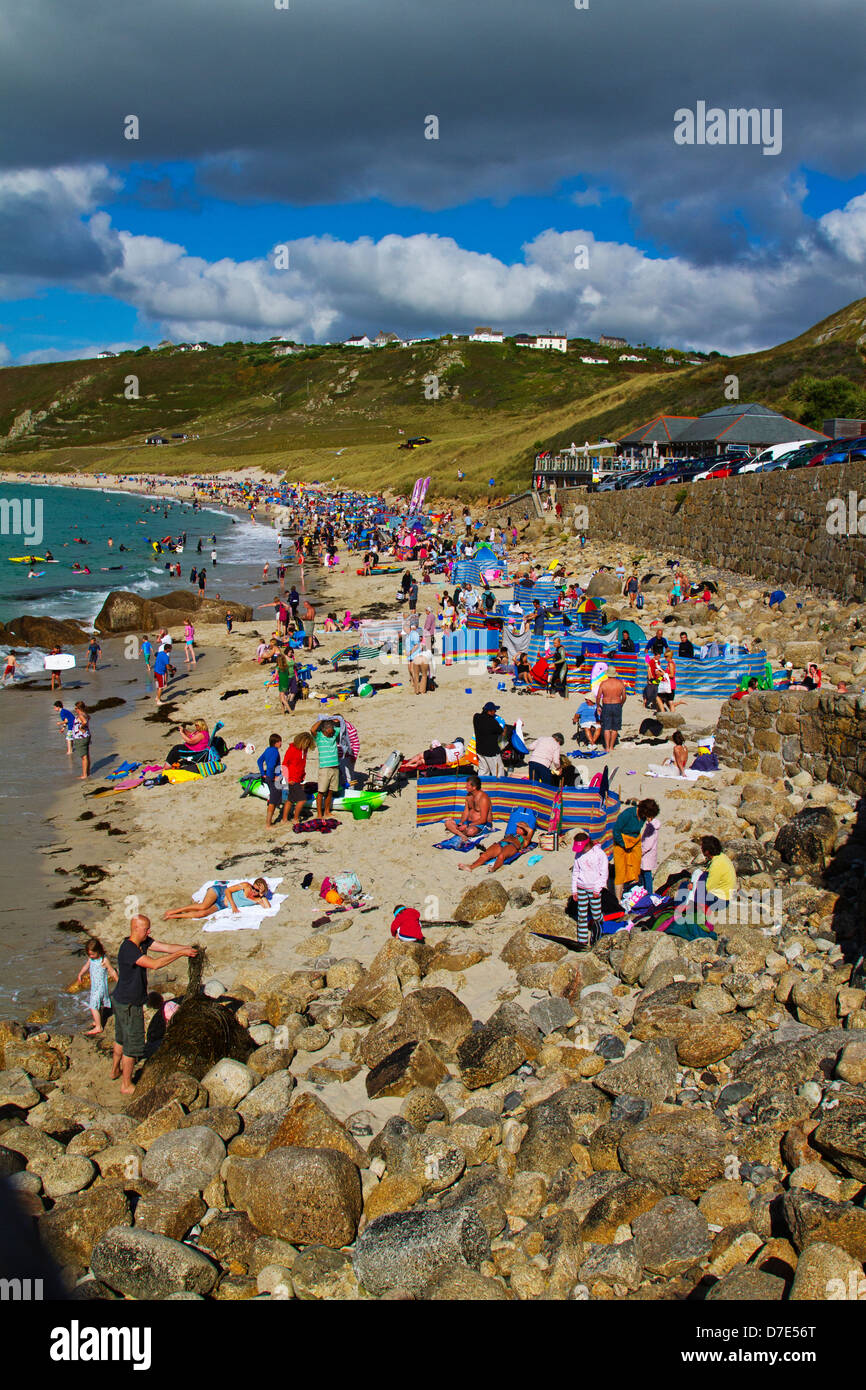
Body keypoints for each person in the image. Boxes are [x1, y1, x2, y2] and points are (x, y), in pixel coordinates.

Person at [110, 915, 197, 1094]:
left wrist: (187, 948)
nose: (149, 932)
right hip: (128, 1004)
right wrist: (180, 954)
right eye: (146, 929)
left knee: (120, 1038)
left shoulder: (142, 942)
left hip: (119, 999)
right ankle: (126, 1084)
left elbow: (164, 948)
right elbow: (155, 964)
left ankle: (115, 1070)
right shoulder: (129, 949)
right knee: (132, 1045)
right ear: (135, 929)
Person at [459, 807, 536, 871]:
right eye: (518, 827)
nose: (518, 828)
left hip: (512, 846)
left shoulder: (525, 839)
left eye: (520, 828)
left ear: (525, 830)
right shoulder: (511, 834)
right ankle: (471, 867)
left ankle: (493, 868)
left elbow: (531, 830)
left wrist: (524, 826)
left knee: (501, 856)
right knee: (484, 855)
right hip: (500, 843)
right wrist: (521, 826)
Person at [569, 832, 610, 947]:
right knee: (582, 914)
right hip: (581, 887)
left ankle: (599, 933)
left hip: (594, 889)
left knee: (596, 914)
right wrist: (574, 890)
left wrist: (598, 889)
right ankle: (582, 940)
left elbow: (604, 873)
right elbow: (576, 872)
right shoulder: (578, 855)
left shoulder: (599, 854)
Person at [164, 879, 272, 920]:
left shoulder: (257, 899)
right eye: (253, 887)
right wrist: (233, 905)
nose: (253, 891)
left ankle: (175, 916)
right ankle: (175, 910)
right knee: (203, 906)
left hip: (222, 905)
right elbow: (228, 891)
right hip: (219, 892)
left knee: (203, 913)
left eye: (257, 890)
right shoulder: (245, 886)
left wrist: (262, 896)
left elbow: (268, 907)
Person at [75, 936, 117, 1035]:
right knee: (98, 1005)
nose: (91, 956)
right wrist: (81, 973)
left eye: (93, 954)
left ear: (99, 950)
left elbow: (111, 971)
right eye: (89, 954)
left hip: (100, 987)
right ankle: (98, 1020)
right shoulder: (91, 959)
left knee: (93, 1006)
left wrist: (118, 981)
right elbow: (86, 965)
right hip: (95, 987)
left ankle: (98, 1027)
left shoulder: (104, 960)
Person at [612, 800, 654, 896]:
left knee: (635, 870)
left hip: (635, 843)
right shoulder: (627, 814)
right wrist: (624, 844)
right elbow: (616, 831)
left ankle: (632, 894)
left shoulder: (643, 818)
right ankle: (618, 899)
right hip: (621, 843)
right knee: (620, 872)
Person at [444, 774, 493, 840]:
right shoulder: (468, 796)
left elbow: (483, 819)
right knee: (448, 822)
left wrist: (467, 826)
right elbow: (466, 812)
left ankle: (459, 832)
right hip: (468, 822)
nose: (465, 787)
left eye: (467, 785)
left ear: (474, 787)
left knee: (471, 831)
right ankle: (462, 834)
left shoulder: (483, 798)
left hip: (481, 824)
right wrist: (461, 823)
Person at [282, 731, 315, 826]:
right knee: (302, 799)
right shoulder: (292, 749)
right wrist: (288, 778)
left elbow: (302, 764)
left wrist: (303, 775)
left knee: (291, 799)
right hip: (292, 779)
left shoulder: (304, 750)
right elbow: (284, 764)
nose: (308, 746)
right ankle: (295, 819)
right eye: (307, 744)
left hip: (299, 778)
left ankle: (284, 819)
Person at [311, 717, 340, 818]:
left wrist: (335, 720)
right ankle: (319, 814)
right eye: (329, 733)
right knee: (321, 792)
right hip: (325, 768)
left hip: (335, 767)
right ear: (324, 731)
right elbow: (312, 730)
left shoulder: (333, 735)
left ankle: (327, 811)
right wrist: (321, 720)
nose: (332, 734)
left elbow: (339, 725)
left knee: (330, 791)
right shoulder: (319, 737)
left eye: (332, 732)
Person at [257, 733, 285, 827]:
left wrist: (262, 773)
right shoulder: (275, 752)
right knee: (273, 801)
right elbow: (271, 766)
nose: (281, 743)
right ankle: (268, 824)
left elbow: (259, 761)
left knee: (277, 796)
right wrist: (273, 776)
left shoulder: (267, 750)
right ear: (275, 743)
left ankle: (279, 816)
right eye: (279, 741)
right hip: (273, 778)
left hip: (269, 777)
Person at [473, 701, 506, 778]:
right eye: (494, 711)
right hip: (491, 752)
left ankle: (481, 785)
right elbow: (502, 732)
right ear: (490, 711)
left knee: (483, 770)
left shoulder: (476, 717)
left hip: (480, 749)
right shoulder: (492, 722)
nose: (495, 712)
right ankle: (498, 787)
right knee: (498, 772)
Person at [596, 671, 627, 752]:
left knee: (606, 727)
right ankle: (612, 746)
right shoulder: (620, 683)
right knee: (615, 727)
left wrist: (598, 706)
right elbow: (624, 696)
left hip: (606, 705)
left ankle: (607, 747)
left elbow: (598, 696)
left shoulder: (604, 683)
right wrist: (621, 704)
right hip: (617, 704)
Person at [639, 800, 661, 894]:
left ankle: (649, 893)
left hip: (647, 856)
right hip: (648, 855)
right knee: (645, 874)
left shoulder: (651, 827)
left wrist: (641, 851)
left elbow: (648, 844)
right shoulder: (652, 825)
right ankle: (646, 892)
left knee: (646, 875)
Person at [71, 701, 91, 779]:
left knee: (84, 757)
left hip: (81, 737)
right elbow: (88, 718)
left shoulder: (80, 715)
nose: (75, 709)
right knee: (86, 755)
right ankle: (87, 772)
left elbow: (85, 721)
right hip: (86, 735)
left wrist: (81, 727)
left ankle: (84, 775)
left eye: (75, 708)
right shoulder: (85, 714)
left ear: (78, 708)